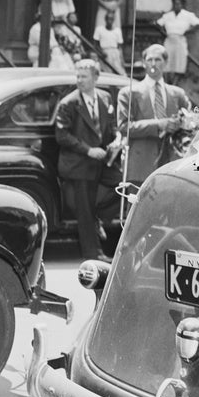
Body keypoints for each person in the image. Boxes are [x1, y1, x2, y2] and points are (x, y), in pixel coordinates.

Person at [53, 59, 122, 262]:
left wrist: (117, 138)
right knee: (85, 210)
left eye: (84, 77)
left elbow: (112, 125)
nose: (79, 80)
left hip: (103, 161)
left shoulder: (106, 97)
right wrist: (88, 150)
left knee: (122, 185)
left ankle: (98, 218)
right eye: (78, 76)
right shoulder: (69, 103)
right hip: (79, 164)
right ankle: (93, 254)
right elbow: (62, 136)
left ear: (96, 78)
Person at [117, 43, 191, 185]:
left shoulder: (178, 94)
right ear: (143, 63)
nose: (153, 63)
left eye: (158, 60)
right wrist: (159, 124)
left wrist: (179, 124)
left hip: (171, 165)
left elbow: (190, 124)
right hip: (141, 165)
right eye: (149, 60)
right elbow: (124, 126)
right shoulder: (129, 93)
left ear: (165, 63)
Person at [156, 0, 199, 84]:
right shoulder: (168, 15)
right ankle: (167, 82)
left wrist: (187, 31)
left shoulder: (187, 15)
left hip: (180, 40)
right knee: (167, 62)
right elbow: (157, 24)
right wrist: (164, 33)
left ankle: (175, 83)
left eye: (178, 4)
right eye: (175, 4)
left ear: (182, 5)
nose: (176, 6)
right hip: (169, 40)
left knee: (179, 63)